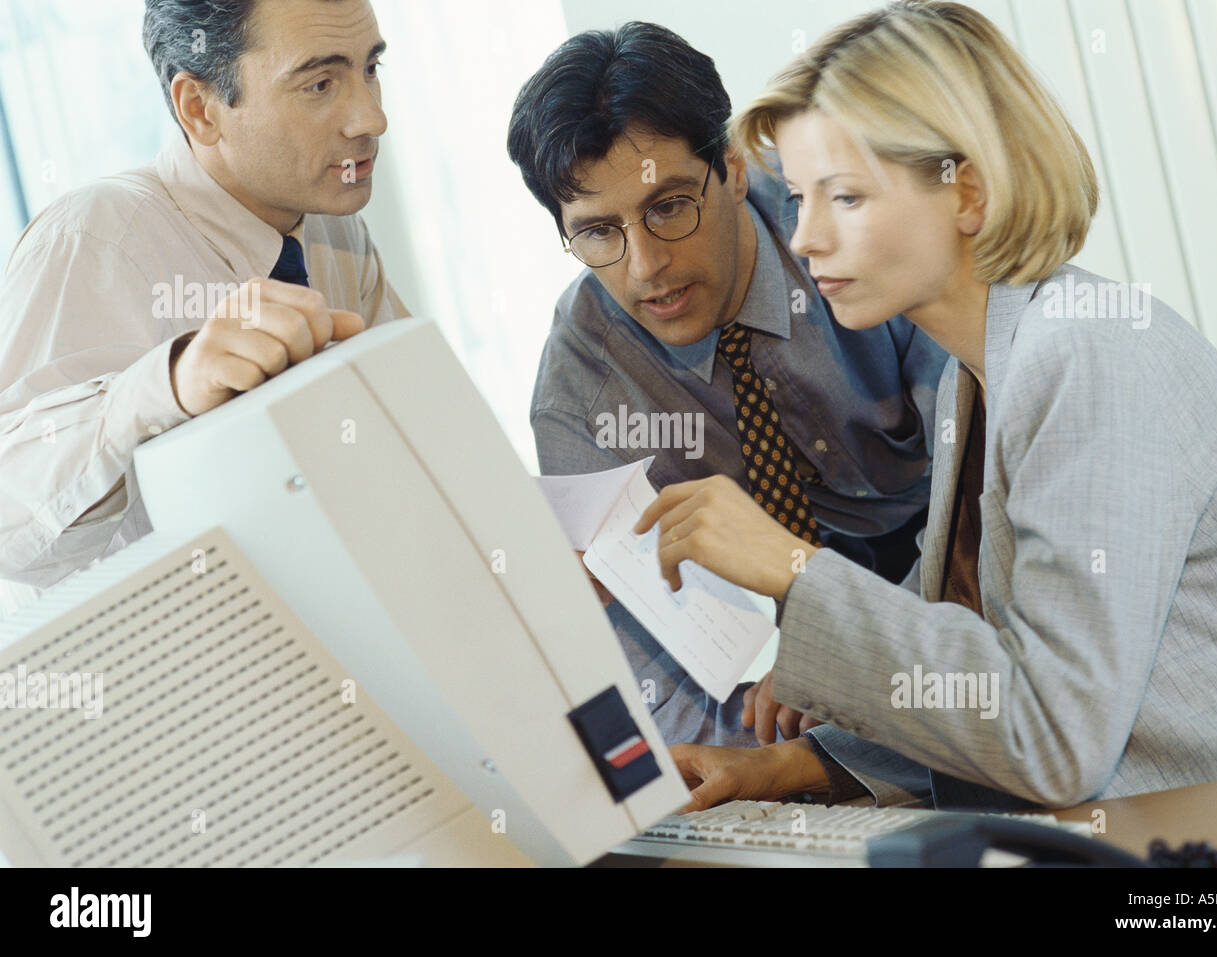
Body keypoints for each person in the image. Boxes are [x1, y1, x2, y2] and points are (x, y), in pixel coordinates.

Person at [638, 0, 1217, 812]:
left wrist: (789, 566)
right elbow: (981, 681)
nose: (804, 238)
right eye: (799, 199)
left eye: (843, 198)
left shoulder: (1081, 355)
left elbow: (1056, 738)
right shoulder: (973, 377)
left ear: (968, 195)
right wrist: (800, 766)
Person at [506, 22, 948, 763]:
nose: (646, 266)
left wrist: (843, 657)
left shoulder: (848, 232)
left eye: (669, 206)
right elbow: (630, 651)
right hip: (818, 652)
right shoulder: (582, 386)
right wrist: (750, 763)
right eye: (597, 233)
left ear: (736, 169)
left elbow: (988, 509)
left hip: (956, 580)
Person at [0, 0, 407, 614]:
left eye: (369, 69)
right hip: (178, 683)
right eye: (321, 83)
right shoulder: (92, 238)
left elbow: (399, 442)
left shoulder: (334, 233)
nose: (371, 118)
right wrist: (166, 384)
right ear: (199, 108)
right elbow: (10, 524)